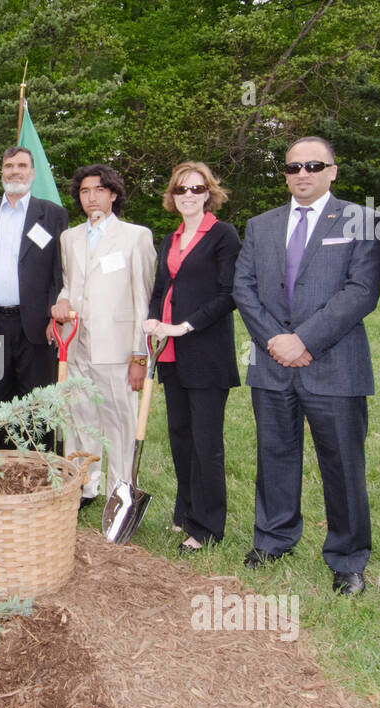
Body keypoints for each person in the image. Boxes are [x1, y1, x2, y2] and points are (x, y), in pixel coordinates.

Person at [231, 136, 380, 596]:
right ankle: (274, 539)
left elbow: (362, 291)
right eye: (294, 167)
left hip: (333, 364)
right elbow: (244, 287)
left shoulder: (361, 219)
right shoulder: (260, 225)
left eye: (314, 166)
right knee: (274, 454)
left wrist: (304, 340)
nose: (303, 174)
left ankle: (348, 557)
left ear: (332, 171)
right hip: (272, 361)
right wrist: (276, 340)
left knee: (341, 463)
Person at [142, 162, 240, 554]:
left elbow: (228, 293)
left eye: (197, 189)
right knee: (180, 437)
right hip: (170, 353)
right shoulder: (171, 239)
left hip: (205, 352)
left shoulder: (223, 236)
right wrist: (153, 319)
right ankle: (186, 512)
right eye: (181, 189)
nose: (188, 195)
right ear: (173, 195)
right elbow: (161, 286)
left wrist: (186, 326)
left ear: (209, 193)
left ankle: (208, 526)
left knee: (205, 442)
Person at [50, 164, 155, 508]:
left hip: (117, 349)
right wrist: (61, 302)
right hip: (77, 343)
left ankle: (120, 492)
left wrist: (140, 355)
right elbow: (69, 284)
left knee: (120, 425)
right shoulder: (70, 238)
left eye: (99, 190)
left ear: (113, 194)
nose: (91, 197)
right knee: (80, 420)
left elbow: (143, 298)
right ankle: (83, 486)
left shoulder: (135, 236)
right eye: (84, 191)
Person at [0, 146, 68, 449]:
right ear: (2, 172)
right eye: (9, 166)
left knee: (37, 399)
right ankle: (0, 469)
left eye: (22, 166)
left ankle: (39, 471)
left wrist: (54, 317)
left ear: (32, 174)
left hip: (35, 324)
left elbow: (60, 270)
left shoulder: (52, 215)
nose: (15, 171)